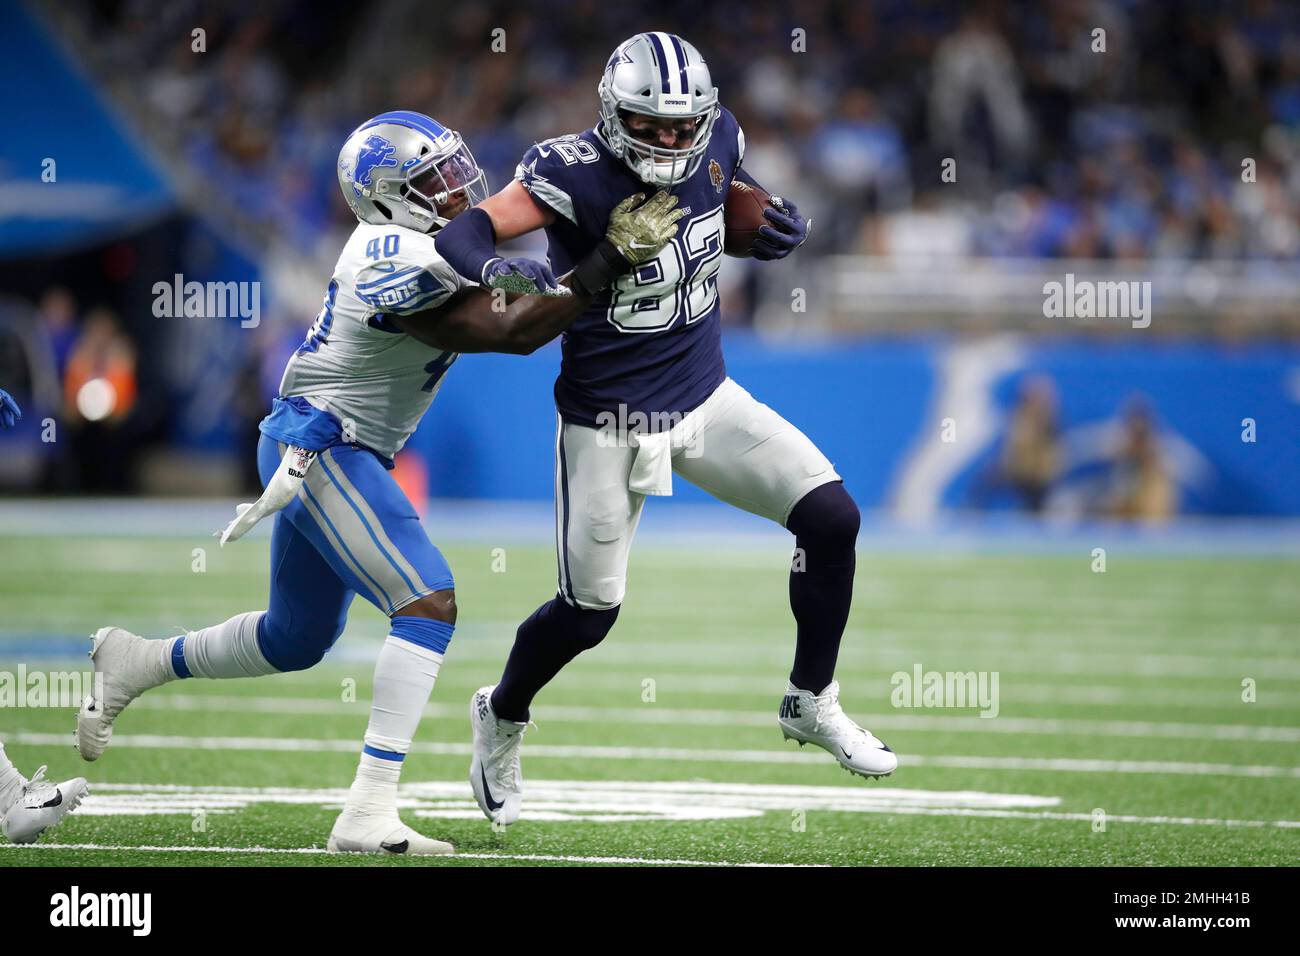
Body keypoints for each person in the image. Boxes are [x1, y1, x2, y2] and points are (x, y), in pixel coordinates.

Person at [73, 111, 683, 855]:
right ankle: (367, 810)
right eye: (434, 179)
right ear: (389, 196)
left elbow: (513, 287)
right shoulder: (388, 252)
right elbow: (510, 330)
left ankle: (138, 662)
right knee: (426, 601)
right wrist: (603, 261)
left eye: (454, 168)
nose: (458, 188)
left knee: (294, 638)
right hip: (321, 445)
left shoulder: (429, 240)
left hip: (341, 447)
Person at [435, 33, 896, 828]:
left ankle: (811, 699)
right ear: (613, 114)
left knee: (832, 517)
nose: (669, 140)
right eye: (650, 125)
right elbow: (465, 233)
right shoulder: (570, 171)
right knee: (587, 616)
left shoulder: (719, 137)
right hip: (608, 420)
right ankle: (502, 712)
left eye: (683, 126)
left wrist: (768, 221)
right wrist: (511, 271)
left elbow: (730, 193)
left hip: (704, 398)